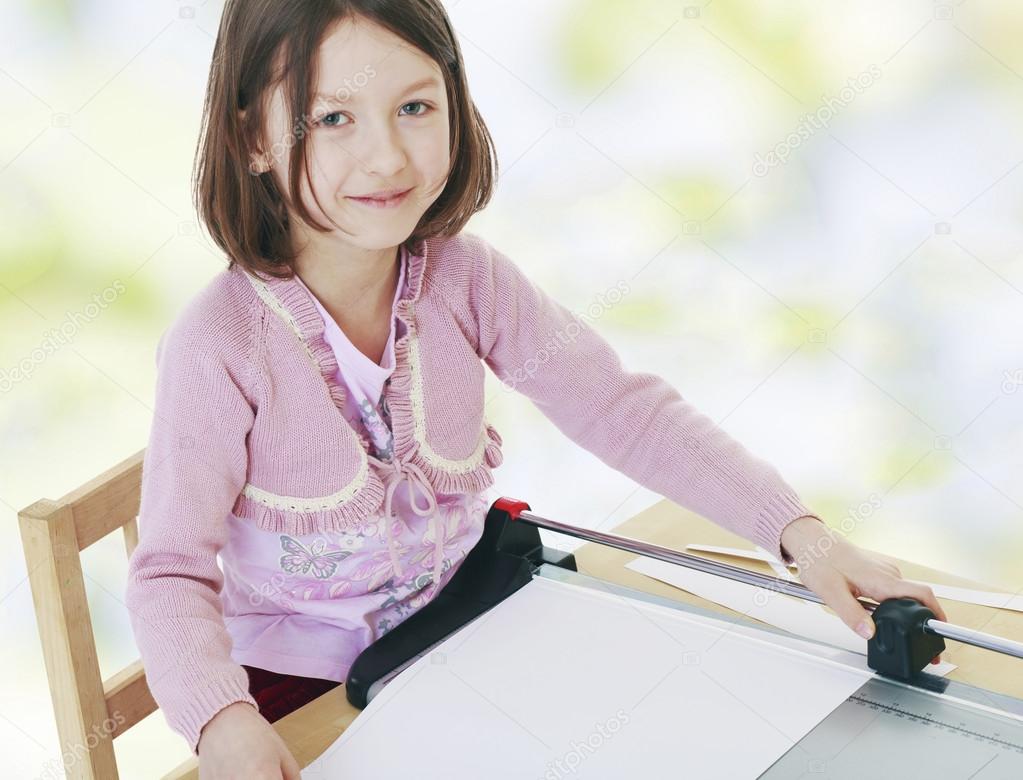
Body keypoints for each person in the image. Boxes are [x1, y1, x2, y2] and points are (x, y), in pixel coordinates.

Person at [125, 1, 947, 777]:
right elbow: (167, 574)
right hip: (297, 692)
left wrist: (803, 536)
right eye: (332, 118)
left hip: (474, 627)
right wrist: (218, 719)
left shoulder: (467, 277)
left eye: (415, 106)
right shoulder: (217, 348)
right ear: (252, 139)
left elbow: (619, 409)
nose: (387, 156)